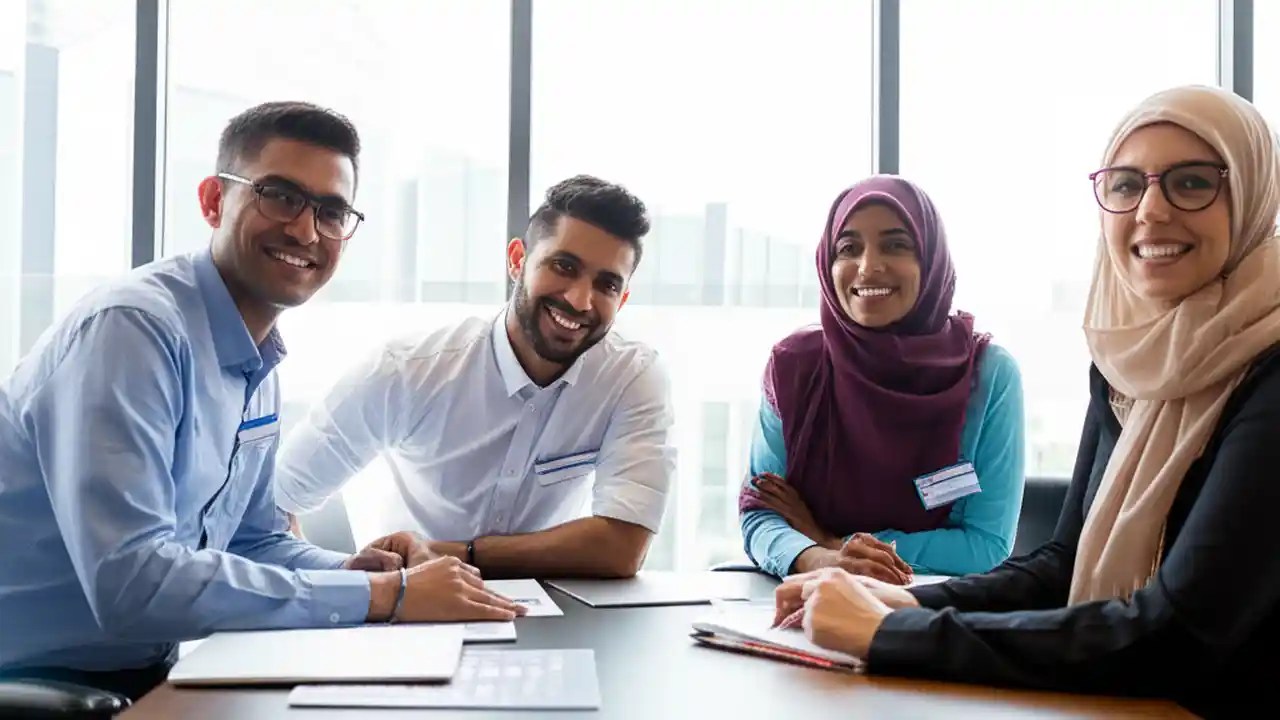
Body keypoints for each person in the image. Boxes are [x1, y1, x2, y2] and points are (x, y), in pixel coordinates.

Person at [772, 85, 1280, 718]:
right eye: (1126, 186)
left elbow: (1178, 634)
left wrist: (889, 633)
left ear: (1255, 195)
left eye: (1193, 182)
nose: (1151, 210)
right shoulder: (1129, 363)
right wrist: (912, 602)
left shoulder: (1269, 368)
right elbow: (1065, 565)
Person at [0, 101, 522, 701]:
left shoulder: (257, 355)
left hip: (148, 676)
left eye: (331, 212)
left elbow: (253, 540)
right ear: (213, 201)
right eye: (279, 195)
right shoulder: (133, 331)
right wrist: (388, 598)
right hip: (44, 686)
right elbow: (132, 584)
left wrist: (357, 572)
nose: (305, 231)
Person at [274, 175, 675, 580]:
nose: (579, 300)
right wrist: (329, 593)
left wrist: (451, 553)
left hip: (553, 612)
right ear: (518, 260)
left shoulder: (632, 377)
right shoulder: (408, 369)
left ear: (621, 300)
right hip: (410, 605)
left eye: (606, 285)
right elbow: (274, 500)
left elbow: (622, 547)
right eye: (564, 266)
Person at [739, 175, 1025, 583]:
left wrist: (835, 542)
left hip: (928, 615)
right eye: (848, 248)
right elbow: (761, 512)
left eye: (896, 245)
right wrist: (820, 559)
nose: (869, 267)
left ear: (930, 260)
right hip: (804, 601)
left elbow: (985, 545)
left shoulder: (989, 375)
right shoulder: (793, 368)